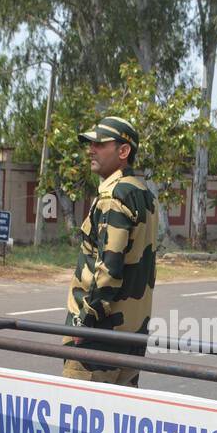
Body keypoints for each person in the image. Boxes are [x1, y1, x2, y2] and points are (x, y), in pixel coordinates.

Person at [63, 115, 158, 387]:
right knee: (118, 423)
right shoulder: (143, 193)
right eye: (90, 143)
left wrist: (83, 325)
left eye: (99, 144)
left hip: (100, 339)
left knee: (79, 422)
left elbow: (108, 271)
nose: (91, 149)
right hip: (132, 335)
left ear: (123, 151)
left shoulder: (114, 197)